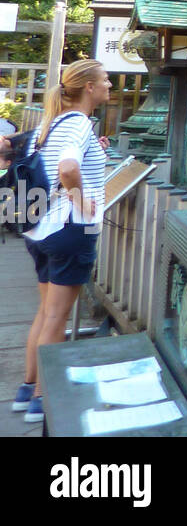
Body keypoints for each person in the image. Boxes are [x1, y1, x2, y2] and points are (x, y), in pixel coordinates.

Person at [9, 60, 111, 425]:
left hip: (40, 231)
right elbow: (67, 169)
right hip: (71, 230)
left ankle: (27, 389)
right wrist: (82, 200)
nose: (110, 85)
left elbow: (60, 162)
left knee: (45, 314)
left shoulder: (51, 123)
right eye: (105, 80)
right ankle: (42, 400)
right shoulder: (79, 123)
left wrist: (96, 151)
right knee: (57, 317)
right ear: (88, 88)